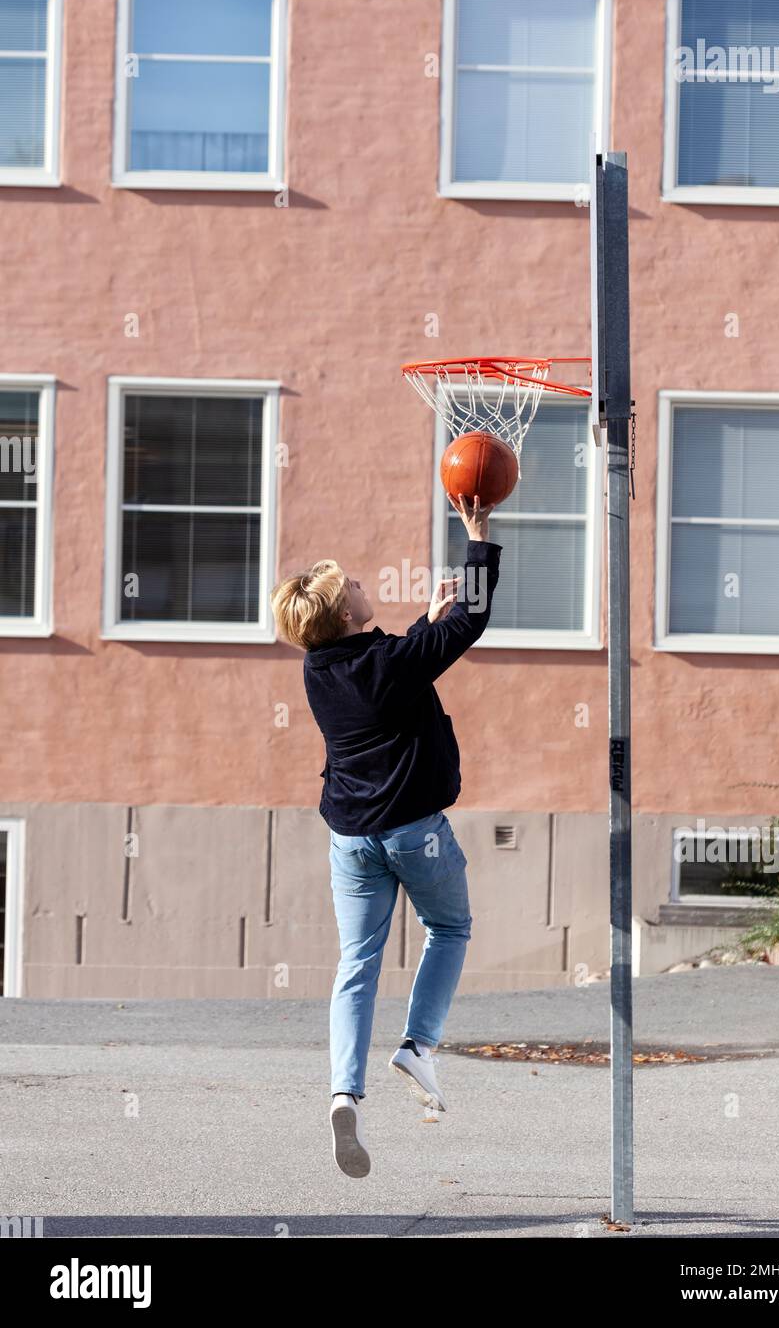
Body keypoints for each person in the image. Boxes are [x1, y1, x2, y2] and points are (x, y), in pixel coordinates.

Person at [270, 493, 501, 1177]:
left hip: (350, 839)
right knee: (450, 929)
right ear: (344, 613)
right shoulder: (390, 664)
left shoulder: (320, 670)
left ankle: (344, 1091)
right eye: (356, 589)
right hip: (413, 833)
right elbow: (474, 618)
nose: (365, 587)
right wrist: (478, 535)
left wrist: (421, 628)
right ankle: (419, 1046)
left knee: (357, 964)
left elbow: (386, 667)